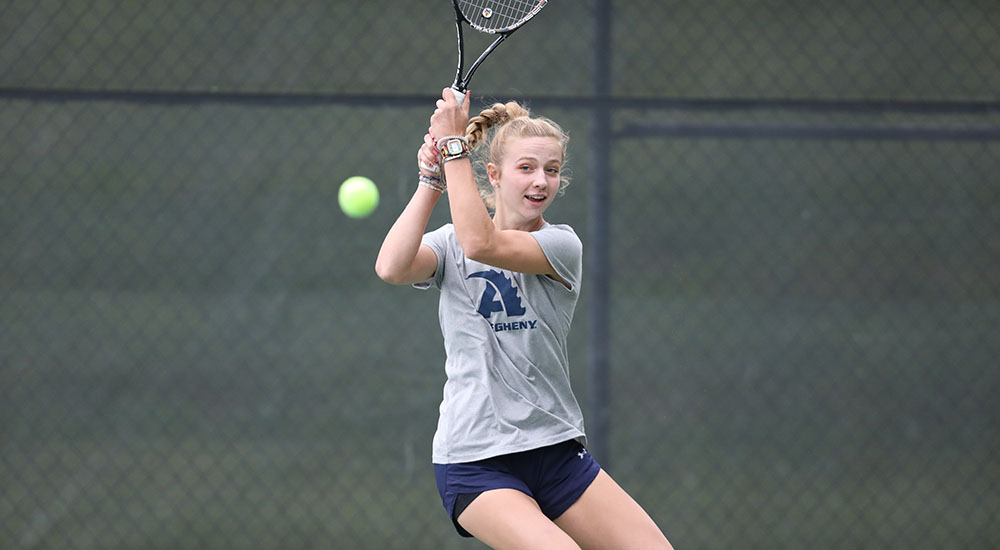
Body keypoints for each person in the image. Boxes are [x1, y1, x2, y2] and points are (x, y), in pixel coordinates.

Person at [375, 88, 673, 549]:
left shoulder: (561, 246)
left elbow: (485, 245)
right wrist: (430, 182)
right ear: (493, 174)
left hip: (554, 452)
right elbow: (392, 267)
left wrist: (454, 145)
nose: (541, 181)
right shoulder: (451, 243)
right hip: (476, 459)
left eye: (551, 170)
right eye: (527, 168)